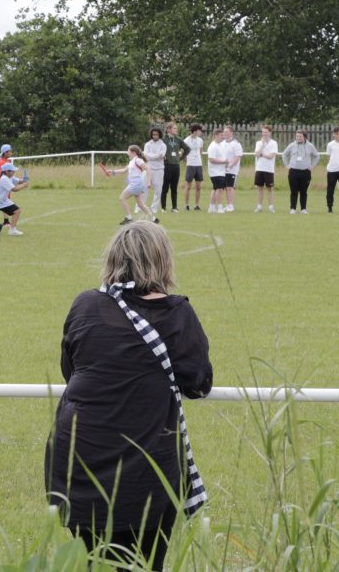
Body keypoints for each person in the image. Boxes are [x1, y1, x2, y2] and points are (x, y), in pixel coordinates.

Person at [46, 221, 212, 568]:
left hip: (77, 461)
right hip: (144, 470)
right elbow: (198, 381)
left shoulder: (86, 304)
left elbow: (71, 367)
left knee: (95, 561)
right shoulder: (176, 313)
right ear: (163, 261)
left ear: (113, 259)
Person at [102, 145, 155, 226]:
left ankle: (129, 218)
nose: (127, 153)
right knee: (140, 204)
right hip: (136, 184)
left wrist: (148, 182)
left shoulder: (138, 160)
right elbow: (123, 171)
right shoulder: (132, 161)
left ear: (133, 152)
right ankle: (153, 219)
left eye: (128, 151)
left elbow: (148, 169)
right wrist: (112, 171)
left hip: (136, 183)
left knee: (122, 198)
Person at [282, 130, 319, 214]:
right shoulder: (292, 145)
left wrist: (312, 166)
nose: (298, 138)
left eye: (300, 136)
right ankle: (293, 209)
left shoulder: (310, 146)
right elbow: (284, 154)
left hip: (305, 172)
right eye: (297, 136)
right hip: (293, 171)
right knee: (293, 191)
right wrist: (287, 165)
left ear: (304, 137)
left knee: (303, 191)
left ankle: (303, 209)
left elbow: (316, 156)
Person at [162, 122, 191, 213]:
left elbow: (187, 149)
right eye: (174, 128)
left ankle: (174, 207)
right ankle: (163, 207)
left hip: (176, 166)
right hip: (166, 166)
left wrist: (181, 157)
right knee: (165, 187)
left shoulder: (178, 139)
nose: (176, 130)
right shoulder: (163, 140)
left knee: (174, 188)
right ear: (168, 129)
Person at [252, 126, 279, 213]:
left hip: (269, 169)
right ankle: (259, 206)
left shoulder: (274, 143)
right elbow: (256, 154)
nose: (264, 134)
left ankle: (271, 207)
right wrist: (262, 145)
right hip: (259, 168)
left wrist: (262, 154)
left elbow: (271, 156)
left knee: (269, 189)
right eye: (263, 132)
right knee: (260, 188)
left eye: (266, 132)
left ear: (270, 133)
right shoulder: (259, 143)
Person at [142, 128, 167, 215]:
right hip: (148, 168)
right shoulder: (147, 144)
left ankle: (154, 208)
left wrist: (151, 156)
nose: (155, 136)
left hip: (159, 169)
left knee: (158, 190)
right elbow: (145, 156)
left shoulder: (163, 145)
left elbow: (162, 155)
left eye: (156, 134)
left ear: (159, 135)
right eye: (153, 135)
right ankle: (141, 207)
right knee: (144, 189)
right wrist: (157, 156)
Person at [181, 124, 206, 211]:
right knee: (188, 186)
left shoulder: (200, 140)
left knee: (198, 186)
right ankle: (186, 205)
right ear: (195, 131)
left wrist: (198, 160)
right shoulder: (186, 140)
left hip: (198, 165)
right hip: (190, 165)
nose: (201, 132)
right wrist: (187, 161)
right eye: (200, 130)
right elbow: (183, 153)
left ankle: (197, 205)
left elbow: (201, 152)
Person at [206, 130, 228, 214]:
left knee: (215, 189)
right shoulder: (212, 146)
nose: (223, 136)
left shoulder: (220, 145)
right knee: (219, 189)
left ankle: (211, 207)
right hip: (215, 172)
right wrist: (223, 162)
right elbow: (211, 159)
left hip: (221, 171)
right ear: (216, 135)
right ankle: (219, 208)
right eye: (221, 135)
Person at [222, 126, 243, 212]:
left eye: (227, 132)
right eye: (224, 132)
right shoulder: (222, 143)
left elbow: (237, 156)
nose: (225, 133)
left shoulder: (236, 144)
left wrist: (230, 166)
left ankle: (231, 205)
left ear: (231, 133)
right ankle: (228, 204)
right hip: (223, 169)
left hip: (232, 170)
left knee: (231, 187)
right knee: (226, 187)